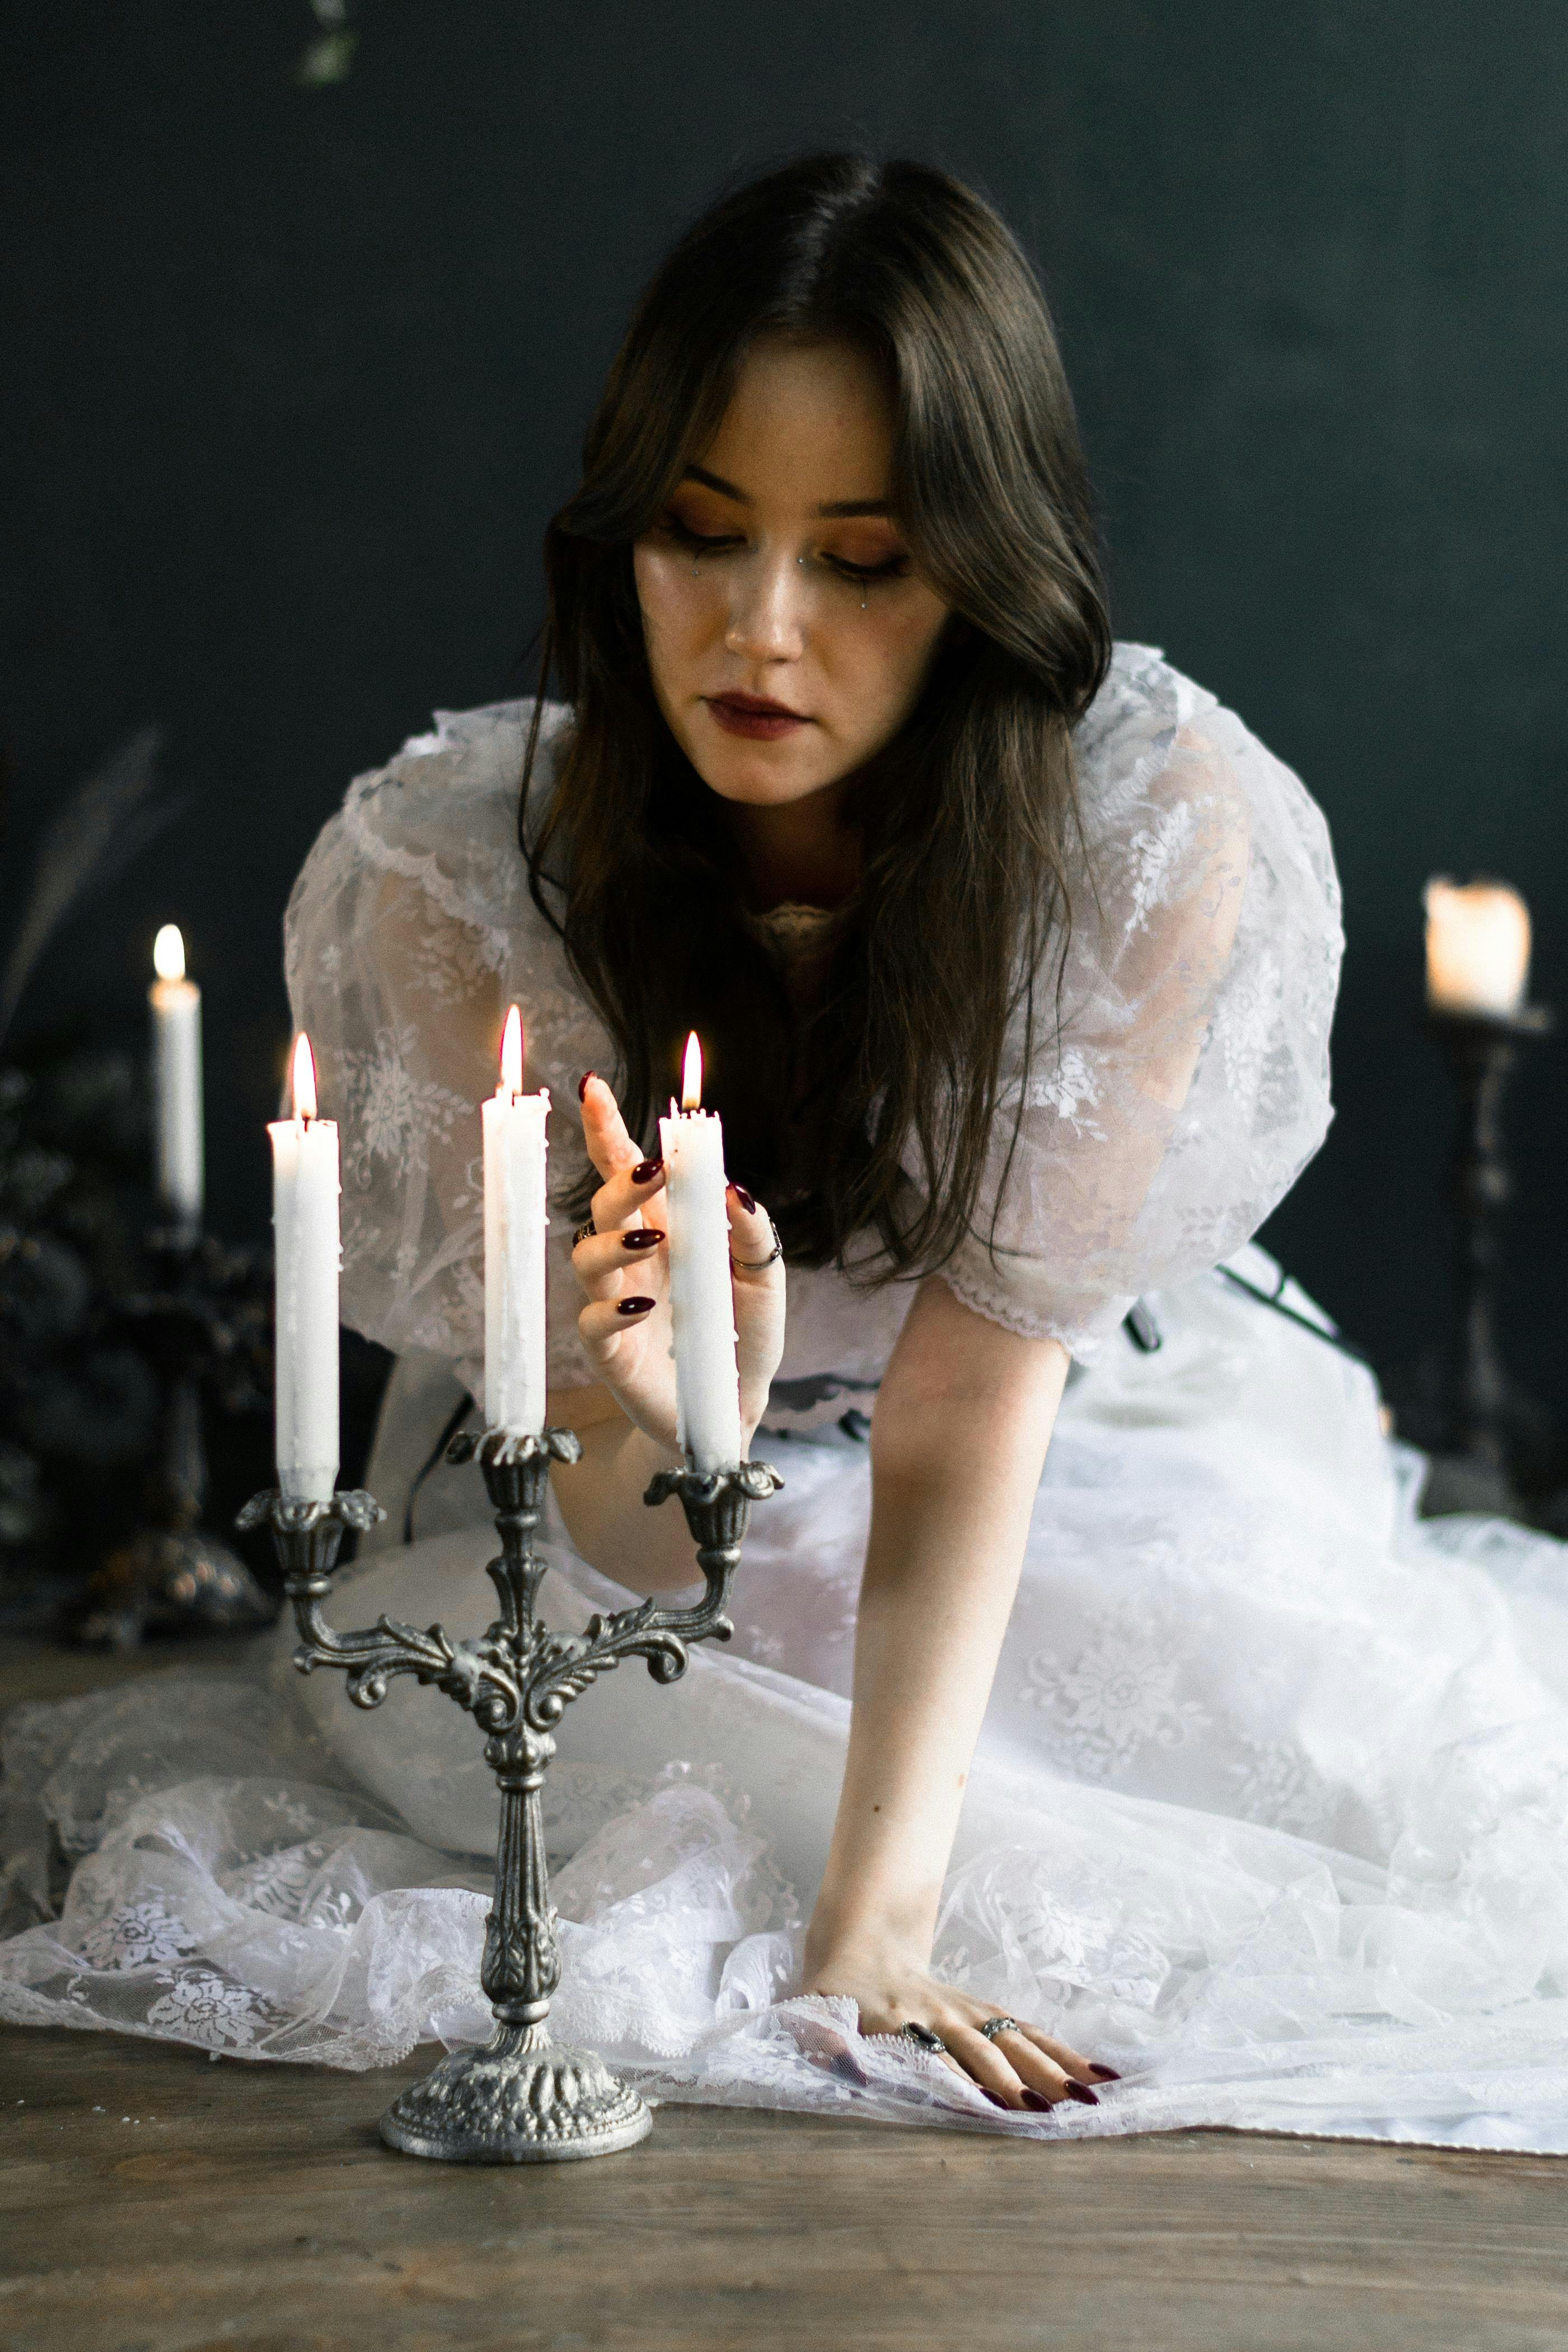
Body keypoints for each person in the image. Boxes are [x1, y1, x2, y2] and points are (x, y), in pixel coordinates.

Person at [6, 157, 1567, 2150]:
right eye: (698, 532)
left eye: (863, 559)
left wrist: (876, 1928)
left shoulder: (1145, 830)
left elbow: (964, 1403)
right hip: (625, 1492)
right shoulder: (468, 868)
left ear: (984, 568)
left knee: (1232, 1733)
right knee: (669, 1703)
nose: (757, 629)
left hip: (1051, 1435)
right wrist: (674, 1407)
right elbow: (624, 1529)